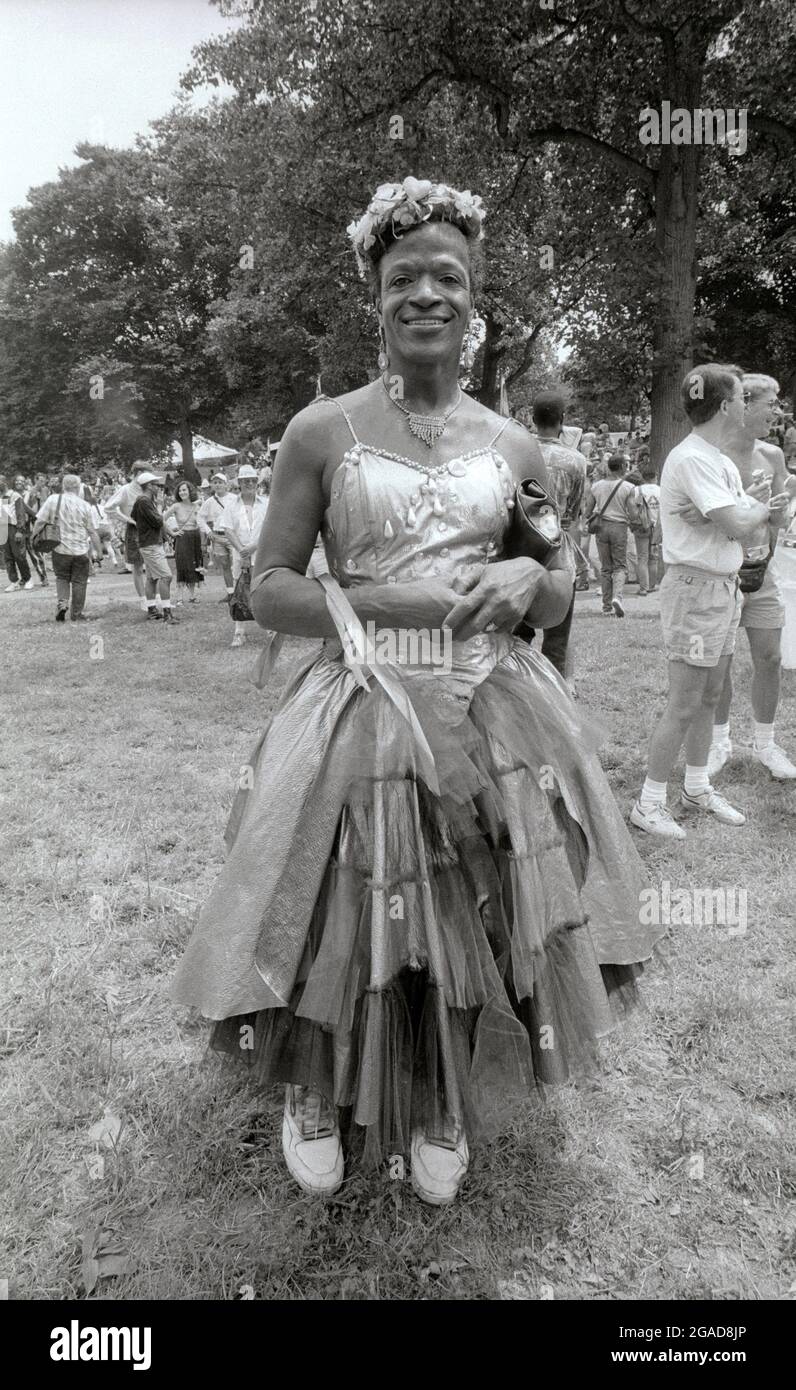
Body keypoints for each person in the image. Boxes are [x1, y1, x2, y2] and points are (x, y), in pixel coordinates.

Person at [172, 176, 662, 1205]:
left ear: (474, 297)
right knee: (336, 896)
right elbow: (264, 588)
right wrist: (384, 598)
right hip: (361, 701)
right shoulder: (322, 431)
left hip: (493, 703)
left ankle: (441, 1095)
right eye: (404, 279)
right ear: (376, 297)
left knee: (478, 900)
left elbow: (558, 575)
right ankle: (313, 1086)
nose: (425, 294)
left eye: (447, 276)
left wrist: (532, 576)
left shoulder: (516, 446)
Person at [630, 364, 783, 839]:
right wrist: (765, 506)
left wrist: (748, 501)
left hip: (719, 588)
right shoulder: (696, 457)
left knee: (710, 695)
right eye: (740, 397)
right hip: (697, 591)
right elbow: (739, 525)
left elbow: (728, 515)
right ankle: (649, 801)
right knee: (685, 701)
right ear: (723, 406)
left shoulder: (709, 456)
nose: (745, 404)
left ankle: (695, 787)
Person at [707, 374, 796, 780]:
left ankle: (765, 743)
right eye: (771, 404)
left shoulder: (773, 455)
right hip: (722, 573)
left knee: (771, 657)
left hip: (763, 571)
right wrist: (748, 502)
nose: (777, 413)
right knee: (720, 664)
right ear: (744, 404)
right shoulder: (711, 453)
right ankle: (719, 741)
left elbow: (778, 518)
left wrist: (782, 504)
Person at [522, 390, 587, 680]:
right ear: (563, 420)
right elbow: (573, 514)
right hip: (558, 555)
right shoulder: (575, 461)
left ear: (532, 419)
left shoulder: (517, 452)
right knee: (557, 640)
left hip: (519, 552)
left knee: (515, 637)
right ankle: (555, 700)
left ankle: (515, 692)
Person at [31, 474, 103, 621]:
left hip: (60, 548)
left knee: (62, 577)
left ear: (63, 486)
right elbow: (93, 532)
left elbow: (40, 522)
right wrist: (99, 551)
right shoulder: (86, 506)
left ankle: (63, 603)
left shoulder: (53, 500)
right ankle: (77, 614)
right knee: (79, 581)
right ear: (79, 487)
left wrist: (33, 537)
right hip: (81, 550)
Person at [214, 463, 269, 647]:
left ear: (257, 483)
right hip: (240, 555)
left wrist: (254, 547)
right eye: (246, 481)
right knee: (240, 590)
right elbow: (228, 529)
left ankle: (270, 627)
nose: (249, 484)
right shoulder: (231, 505)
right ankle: (239, 631)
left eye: (253, 480)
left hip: (261, 554)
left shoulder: (266, 504)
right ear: (240, 483)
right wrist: (242, 550)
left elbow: (271, 529)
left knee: (263, 588)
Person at [585, 454, 639, 616]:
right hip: (619, 527)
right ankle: (617, 597)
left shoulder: (596, 486)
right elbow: (633, 514)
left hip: (601, 528)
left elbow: (588, 511)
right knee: (620, 565)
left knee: (606, 567)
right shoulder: (628, 487)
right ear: (622, 467)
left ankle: (606, 606)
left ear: (609, 467)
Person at [130, 472, 179, 624]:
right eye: (156, 485)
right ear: (149, 486)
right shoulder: (144, 501)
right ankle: (167, 613)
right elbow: (158, 521)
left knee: (152, 578)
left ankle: (152, 609)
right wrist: (159, 505)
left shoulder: (142, 501)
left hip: (148, 543)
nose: (159, 487)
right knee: (166, 576)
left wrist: (170, 533)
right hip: (151, 544)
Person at [104, 463, 149, 609]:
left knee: (153, 565)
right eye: (146, 474)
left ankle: (155, 598)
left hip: (150, 529)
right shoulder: (125, 489)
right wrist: (127, 519)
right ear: (139, 473)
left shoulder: (148, 488)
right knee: (137, 566)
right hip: (135, 529)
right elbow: (108, 508)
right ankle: (143, 600)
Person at [163, 480, 204, 604]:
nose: (182, 492)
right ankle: (179, 597)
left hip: (195, 537)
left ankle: (192, 596)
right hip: (182, 538)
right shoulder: (176, 506)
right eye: (180, 490)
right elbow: (161, 519)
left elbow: (202, 522)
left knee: (194, 565)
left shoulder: (196, 506)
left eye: (184, 490)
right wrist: (172, 532)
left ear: (190, 491)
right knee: (182, 566)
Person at [198, 473, 235, 598]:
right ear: (212, 485)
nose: (218, 485)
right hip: (218, 536)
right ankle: (231, 593)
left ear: (226, 484)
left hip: (233, 536)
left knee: (238, 564)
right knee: (225, 565)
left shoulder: (234, 498)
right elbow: (200, 517)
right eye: (215, 482)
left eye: (220, 482)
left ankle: (242, 593)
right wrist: (208, 531)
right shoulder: (209, 501)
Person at [1, 475, 35, 591]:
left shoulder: (14, 496)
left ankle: (28, 578)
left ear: (4, 482)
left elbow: (20, 514)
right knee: (8, 557)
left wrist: (20, 531)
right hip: (3, 528)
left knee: (19, 556)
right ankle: (14, 581)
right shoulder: (1, 497)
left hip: (14, 528)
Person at [635, 461, 662, 593]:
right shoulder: (661, 491)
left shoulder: (637, 490)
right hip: (657, 527)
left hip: (642, 526)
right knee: (654, 558)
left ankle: (643, 588)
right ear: (655, 476)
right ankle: (652, 585)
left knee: (642, 557)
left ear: (643, 477)